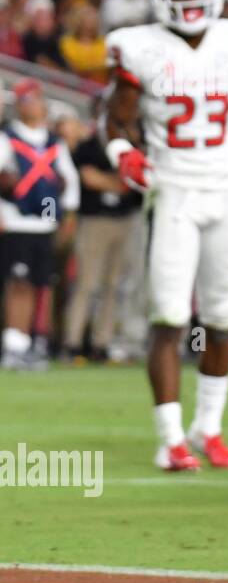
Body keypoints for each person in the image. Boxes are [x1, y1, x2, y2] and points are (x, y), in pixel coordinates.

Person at [103, 0, 228, 471]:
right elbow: (115, 118)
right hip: (173, 189)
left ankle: (208, 429)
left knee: (224, 318)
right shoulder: (138, 47)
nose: (188, 1)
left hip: (225, 189)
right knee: (170, 316)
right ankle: (169, 438)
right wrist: (122, 153)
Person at [0, 79, 79, 369]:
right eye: (27, 100)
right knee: (18, 283)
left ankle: (36, 341)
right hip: (16, 221)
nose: (33, 105)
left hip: (45, 222)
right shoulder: (7, 138)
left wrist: (67, 214)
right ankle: (13, 343)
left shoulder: (52, 143)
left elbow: (68, 180)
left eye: (36, 99)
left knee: (41, 284)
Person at [63, 116, 142, 361]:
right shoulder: (89, 146)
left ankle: (102, 343)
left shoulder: (132, 145)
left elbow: (139, 179)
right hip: (95, 219)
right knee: (87, 283)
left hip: (124, 219)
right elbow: (89, 177)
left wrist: (112, 183)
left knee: (114, 285)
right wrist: (118, 183)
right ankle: (72, 343)